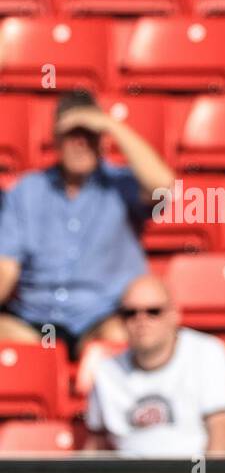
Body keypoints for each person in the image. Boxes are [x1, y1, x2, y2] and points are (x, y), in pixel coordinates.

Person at [0, 89, 174, 358]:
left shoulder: (122, 185)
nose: (81, 143)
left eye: (89, 134)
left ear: (102, 140)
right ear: (56, 140)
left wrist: (110, 125)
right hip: (33, 321)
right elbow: (6, 269)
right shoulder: (25, 192)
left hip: (99, 318)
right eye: (72, 135)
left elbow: (163, 188)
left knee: (118, 336)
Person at [84, 275, 225, 458]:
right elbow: (95, 444)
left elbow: (222, 434)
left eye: (153, 311)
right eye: (130, 313)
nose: (141, 320)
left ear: (174, 314)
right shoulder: (107, 371)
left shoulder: (207, 353)